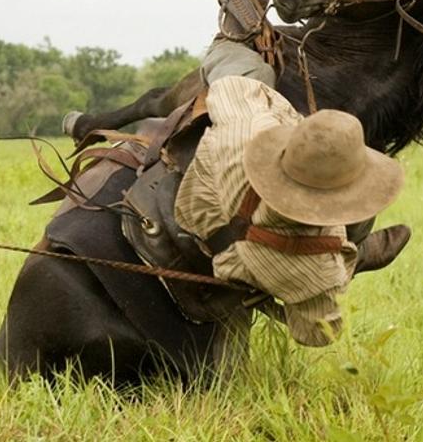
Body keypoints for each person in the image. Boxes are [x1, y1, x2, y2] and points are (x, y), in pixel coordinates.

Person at [174, 75, 408, 346]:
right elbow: (318, 336)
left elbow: (230, 85)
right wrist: (335, 273)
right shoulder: (320, 273)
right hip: (244, 263)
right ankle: (357, 256)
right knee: (342, 260)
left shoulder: (243, 131)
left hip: (197, 211)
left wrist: (287, 120)